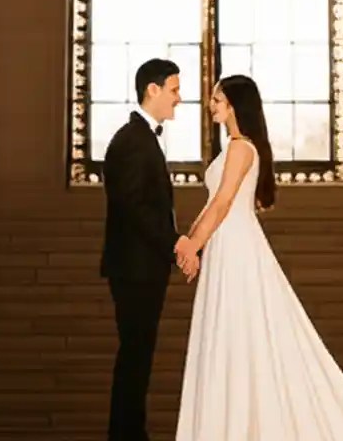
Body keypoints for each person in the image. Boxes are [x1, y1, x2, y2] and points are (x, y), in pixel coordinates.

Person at [175, 74, 343, 440]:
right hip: (228, 245)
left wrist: (193, 245)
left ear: (236, 105)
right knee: (236, 334)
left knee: (240, 333)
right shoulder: (235, 148)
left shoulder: (241, 148)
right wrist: (191, 242)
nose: (212, 105)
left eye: (218, 99)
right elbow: (215, 203)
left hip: (236, 248)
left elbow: (223, 203)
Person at [100, 58, 200, 441]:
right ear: (152, 90)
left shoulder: (141, 138)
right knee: (135, 358)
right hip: (135, 269)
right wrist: (176, 241)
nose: (179, 98)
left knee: (138, 357)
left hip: (141, 267)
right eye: (174, 89)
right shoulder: (132, 141)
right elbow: (134, 206)